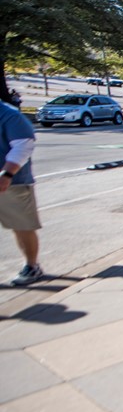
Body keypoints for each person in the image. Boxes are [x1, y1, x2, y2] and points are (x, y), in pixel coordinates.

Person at [1, 99, 43, 286]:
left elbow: (23, 145)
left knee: (22, 226)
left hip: (12, 181)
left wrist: (7, 173)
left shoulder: (9, 115)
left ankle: (32, 265)